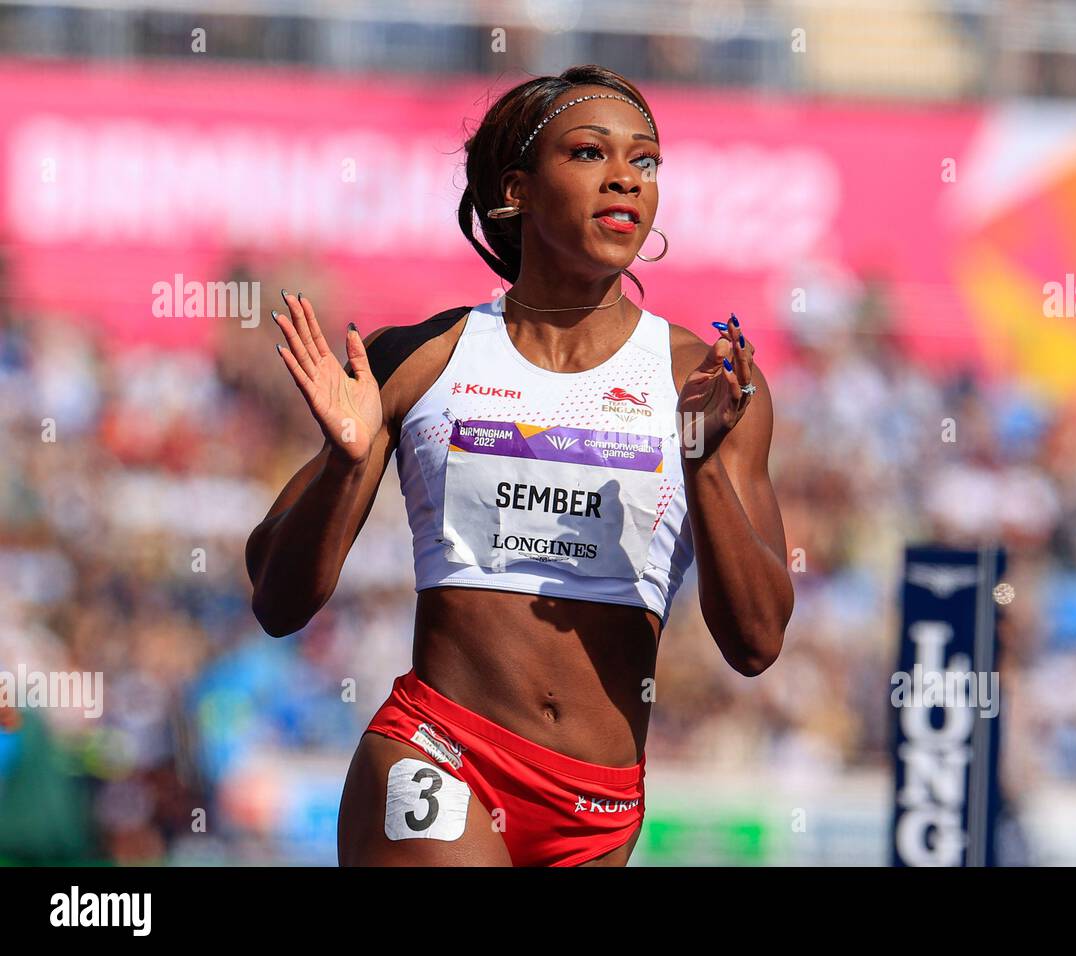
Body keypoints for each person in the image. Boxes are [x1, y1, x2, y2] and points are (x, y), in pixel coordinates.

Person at [245, 65, 794, 867]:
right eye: (587, 153)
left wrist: (701, 464)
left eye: (645, 162)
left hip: (596, 806)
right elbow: (276, 600)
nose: (624, 179)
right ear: (519, 190)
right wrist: (343, 461)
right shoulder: (421, 358)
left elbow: (756, 642)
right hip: (439, 752)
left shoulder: (703, 381)